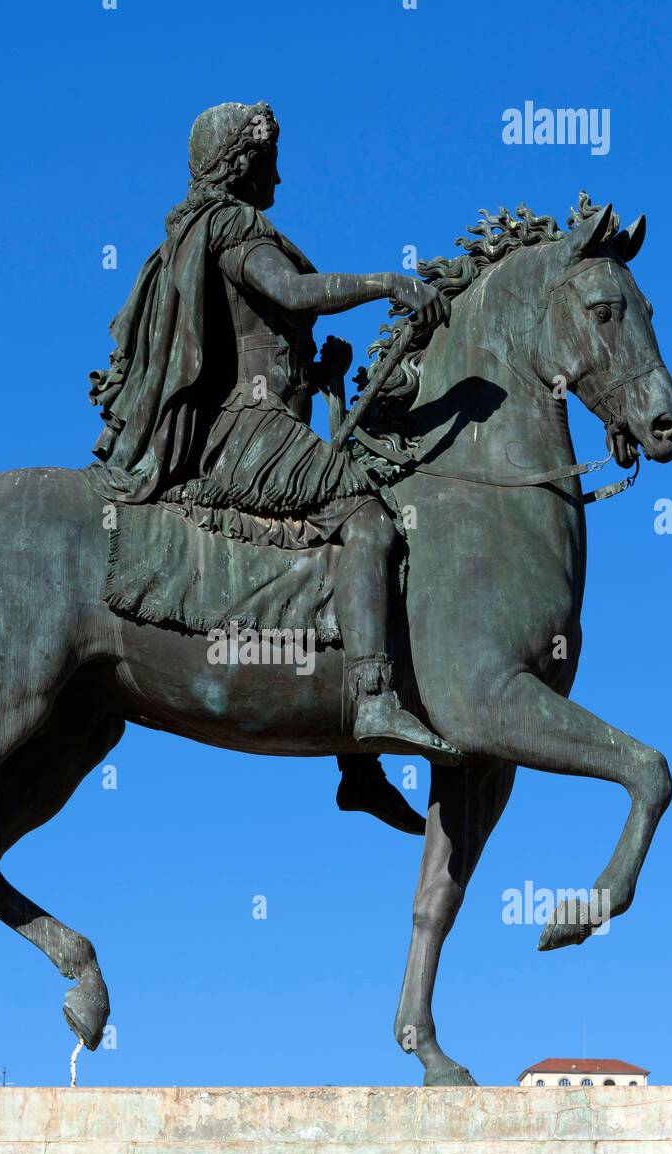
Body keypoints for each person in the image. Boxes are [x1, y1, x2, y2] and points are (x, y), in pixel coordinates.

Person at [86, 101, 458, 830]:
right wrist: (387, 283)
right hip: (244, 430)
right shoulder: (227, 226)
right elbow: (289, 294)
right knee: (368, 522)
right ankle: (376, 698)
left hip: (269, 414)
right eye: (271, 160)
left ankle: (359, 767)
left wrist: (320, 368)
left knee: (341, 538)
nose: (281, 176)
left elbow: (265, 332)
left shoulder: (211, 231)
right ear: (243, 163)